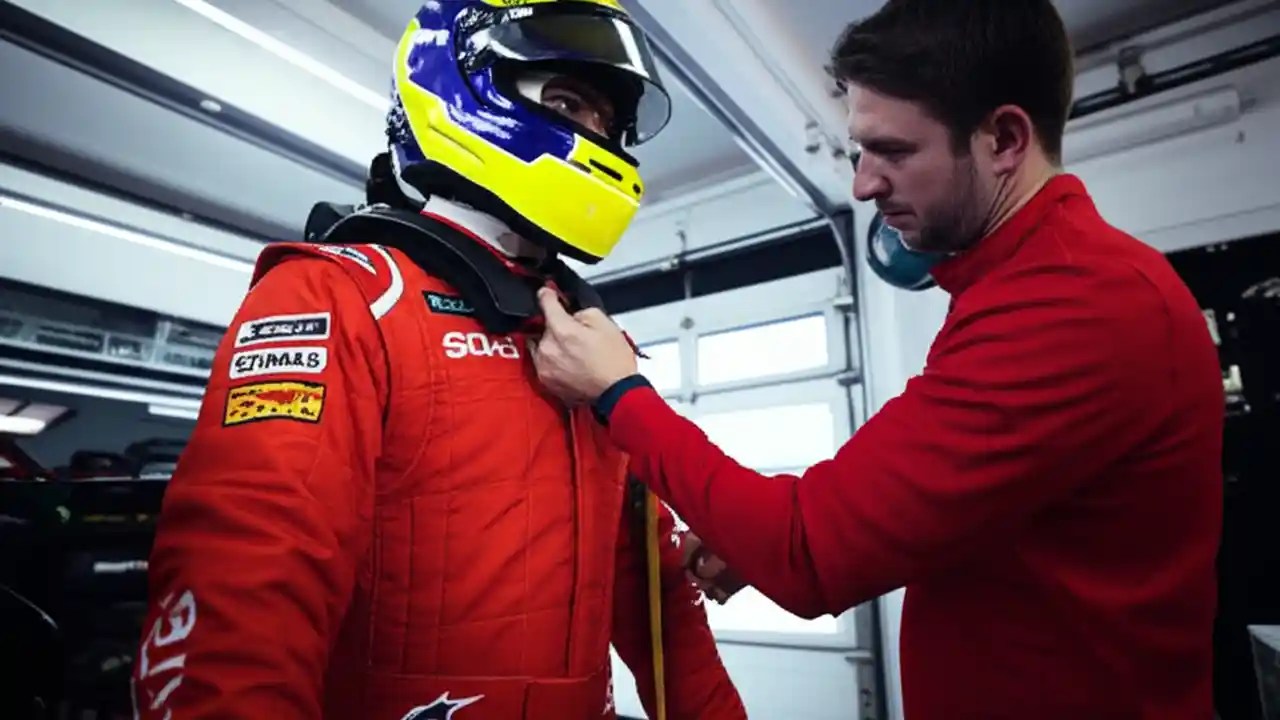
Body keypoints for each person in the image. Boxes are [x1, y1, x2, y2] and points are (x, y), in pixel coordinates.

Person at [528, 0, 1225, 718]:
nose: (862, 183)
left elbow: (807, 556)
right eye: (861, 152)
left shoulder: (1077, 301)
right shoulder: (1029, 282)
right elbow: (915, 507)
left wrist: (619, 393)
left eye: (892, 151)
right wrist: (751, 527)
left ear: (1004, 139)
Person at [130, 2, 747, 719]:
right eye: (568, 103)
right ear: (463, 87)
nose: (595, 136)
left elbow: (659, 601)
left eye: (607, 122)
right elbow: (242, 600)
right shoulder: (341, 294)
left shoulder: (597, 344)